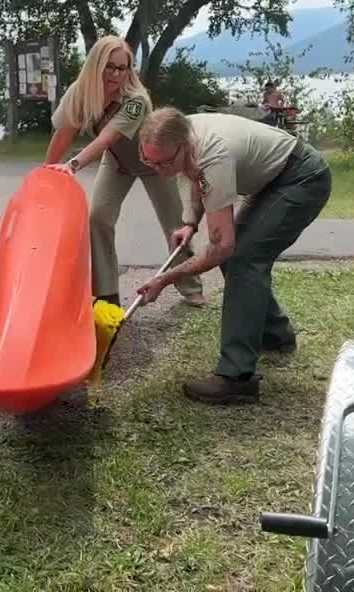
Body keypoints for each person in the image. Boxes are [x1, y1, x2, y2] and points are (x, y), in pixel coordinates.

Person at [134, 106, 332, 404]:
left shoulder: (213, 155)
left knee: (241, 257)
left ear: (184, 145)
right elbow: (195, 176)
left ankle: (237, 377)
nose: (157, 171)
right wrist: (190, 222)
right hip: (274, 177)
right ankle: (276, 336)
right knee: (238, 254)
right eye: (148, 161)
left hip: (302, 178)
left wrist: (166, 279)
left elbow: (221, 246)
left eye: (162, 163)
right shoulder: (184, 133)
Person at [45, 35, 205, 308]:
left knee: (175, 224)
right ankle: (106, 293)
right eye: (110, 66)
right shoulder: (80, 93)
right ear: (96, 65)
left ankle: (190, 285)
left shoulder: (136, 99)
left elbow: (108, 137)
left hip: (156, 164)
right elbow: (64, 134)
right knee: (98, 218)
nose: (117, 74)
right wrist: (46, 176)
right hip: (118, 162)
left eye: (123, 68)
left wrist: (72, 166)